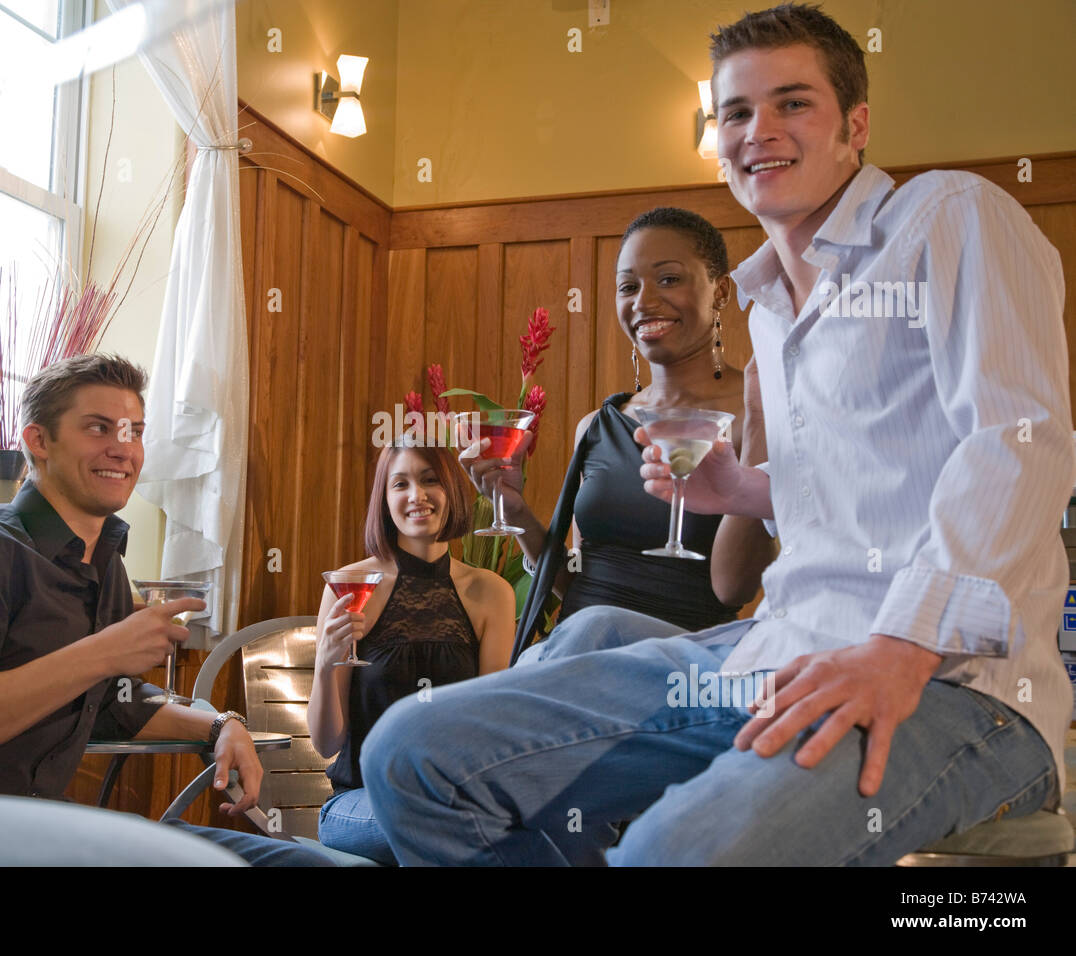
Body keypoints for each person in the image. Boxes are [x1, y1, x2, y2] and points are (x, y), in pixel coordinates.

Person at [360, 1, 1072, 865]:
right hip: (772, 648)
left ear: (858, 126)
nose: (757, 130)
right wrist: (744, 491)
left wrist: (898, 647)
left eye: (792, 102)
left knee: (673, 851)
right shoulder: (771, 307)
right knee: (409, 754)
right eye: (735, 111)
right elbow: (867, 494)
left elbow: (1018, 443)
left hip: (959, 685)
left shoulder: (949, 217)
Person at [0, 353, 333, 866]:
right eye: (99, 428)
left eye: (134, 431)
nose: (122, 449)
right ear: (39, 441)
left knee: (301, 864)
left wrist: (220, 726)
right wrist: (104, 652)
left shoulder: (104, 565)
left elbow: (113, 702)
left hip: (47, 829)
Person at [459, 208, 775, 661]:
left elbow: (732, 589)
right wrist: (514, 509)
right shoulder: (596, 426)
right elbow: (575, 580)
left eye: (668, 279)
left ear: (720, 290)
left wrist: (762, 423)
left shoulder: (753, 418)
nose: (643, 301)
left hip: (678, 670)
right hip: (575, 654)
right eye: (628, 287)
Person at [307, 440, 515, 864]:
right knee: (443, 829)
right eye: (399, 484)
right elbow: (326, 743)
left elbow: (491, 728)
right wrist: (326, 664)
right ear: (384, 501)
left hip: (453, 802)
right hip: (359, 803)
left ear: (452, 491)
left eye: (429, 480)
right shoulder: (349, 586)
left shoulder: (491, 592)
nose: (416, 495)